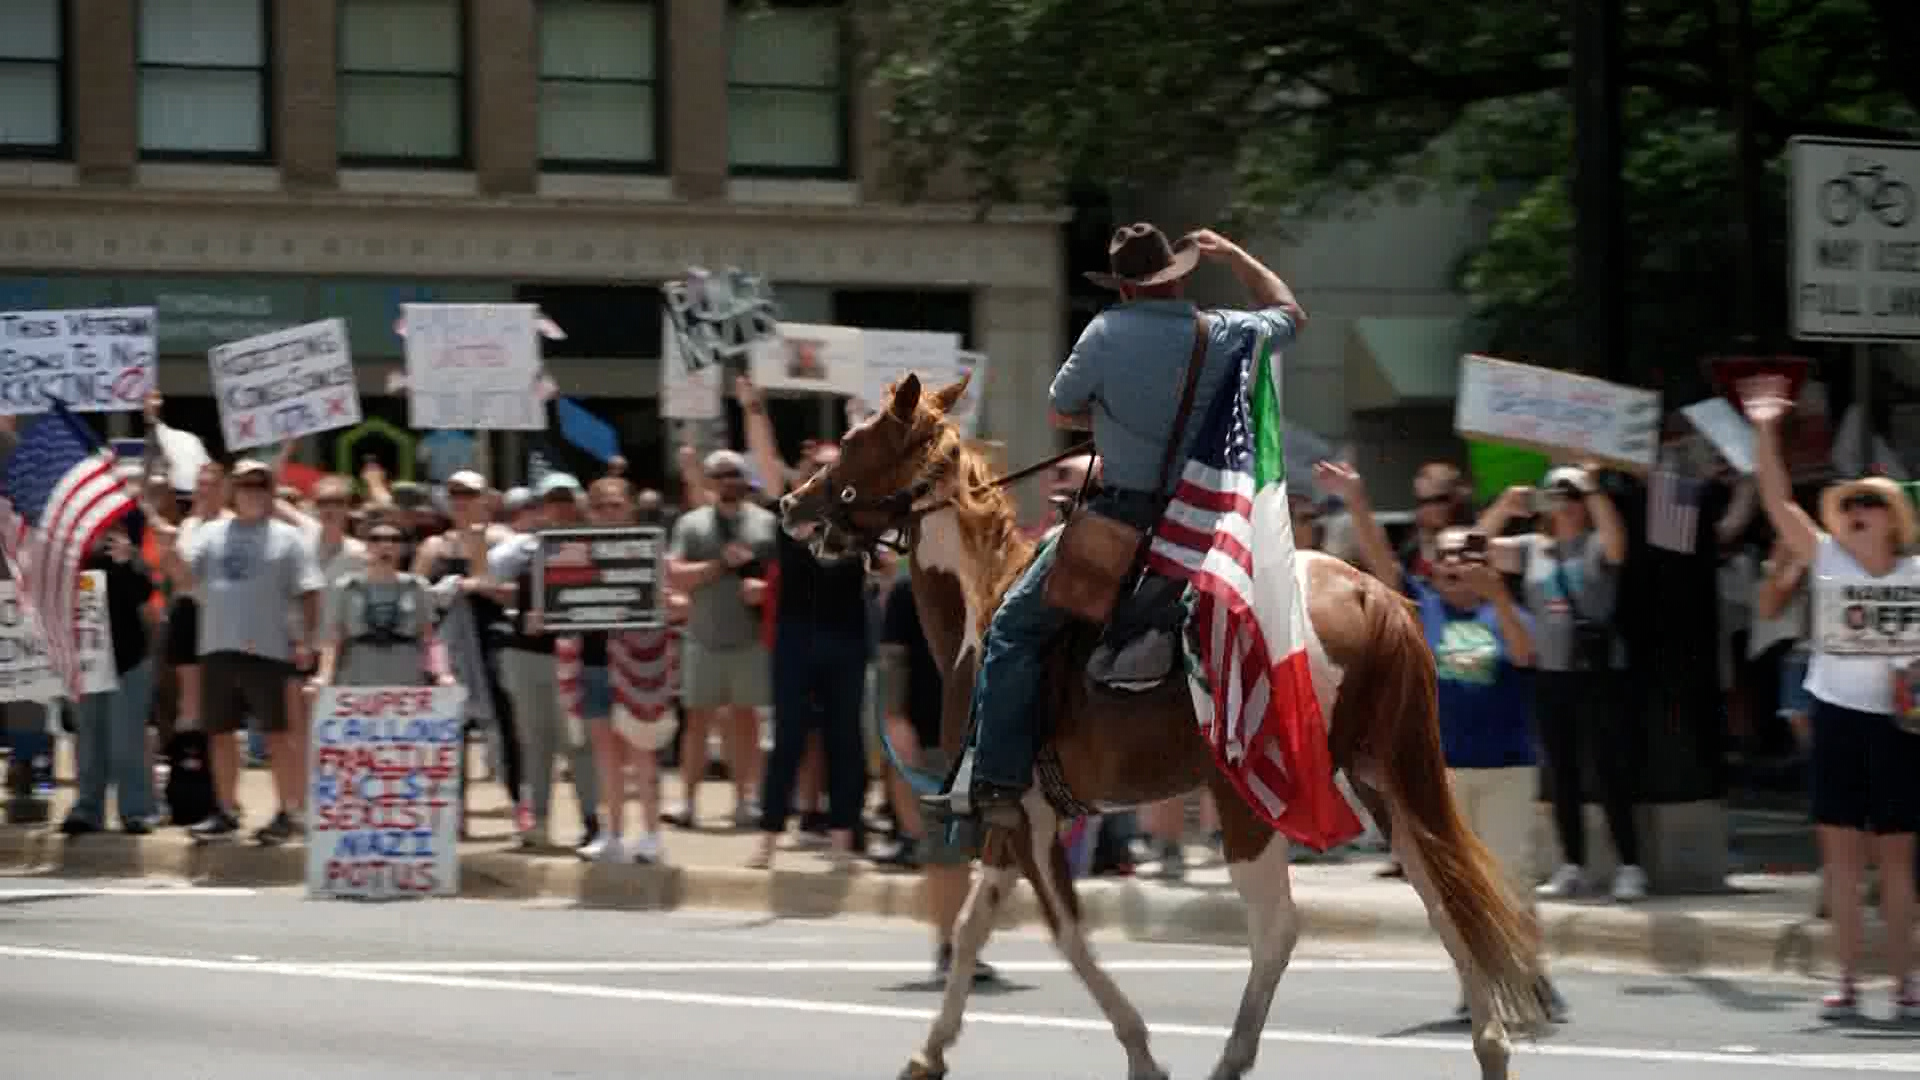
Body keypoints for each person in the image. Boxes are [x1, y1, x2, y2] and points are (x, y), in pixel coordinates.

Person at [921, 223, 1305, 817]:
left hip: (1122, 522)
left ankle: (995, 782)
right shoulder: (1224, 330)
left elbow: (1059, 410)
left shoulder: (1103, 332)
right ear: (1176, 281)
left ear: (1123, 288)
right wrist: (1232, 256)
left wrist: (1113, 417)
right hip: (1207, 521)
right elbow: (1289, 312)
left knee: (1011, 632)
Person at [1322, 460, 1567, 1022]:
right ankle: (1476, 985)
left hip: (1506, 770)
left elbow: (1525, 655)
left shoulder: (1508, 612)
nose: (1454, 562)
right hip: (1444, 774)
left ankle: (1531, 973)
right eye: (1447, 556)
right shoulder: (1420, 609)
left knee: (1508, 882)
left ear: (1483, 564)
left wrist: (1498, 598)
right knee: (1458, 889)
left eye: (1466, 554)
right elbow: (1381, 562)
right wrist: (1358, 497)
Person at [1743, 375, 1920, 1020]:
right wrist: (1764, 427)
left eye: (1866, 505)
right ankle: (1847, 978)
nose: (1852, 513)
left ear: (1891, 519)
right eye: (1847, 506)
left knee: (1896, 865)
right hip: (1838, 717)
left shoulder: (1917, 574)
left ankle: (1905, 982)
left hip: (1902, 725)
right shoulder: (1826, 559)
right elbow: (1776, 498)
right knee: (1840, 862)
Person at [1480, 464, 1640, 902]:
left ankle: (1629, 864)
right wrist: (1503, 508)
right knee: (1561, 773)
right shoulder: (1533, 548)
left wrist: (1591, 488)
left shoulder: (1594, 544)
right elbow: (1472, 549)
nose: (1565, 504)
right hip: (1550, 674)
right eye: (1556, 495)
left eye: (1572, 496)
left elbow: (1618, 545)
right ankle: (1573, 864)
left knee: (1608, 770)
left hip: (1597, 673)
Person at [735, 376, 871, 869]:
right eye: (814, 468)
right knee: (788, 737)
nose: (821, 475)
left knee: (844, 739)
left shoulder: (860, 517)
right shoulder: (789, 510)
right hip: (795, 639)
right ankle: (769, 839)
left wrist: (861, 425)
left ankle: (841, 842)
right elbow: (767, 462)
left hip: (847, 638)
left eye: (831, 468)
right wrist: (754, 410)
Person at [178, 458, 325, 845]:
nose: (253, 493)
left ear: (271, 491)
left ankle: (287, 811)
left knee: (279, 735)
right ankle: (226, 810)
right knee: (220, 733)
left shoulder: (289, 537)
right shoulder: (210, 533)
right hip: (217, 646)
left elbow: (310, 592)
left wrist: (307, 641)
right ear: (233, 490)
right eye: (245, 485)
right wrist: (169, 553)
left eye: (260, 485)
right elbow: (186, 579)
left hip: (270, 649)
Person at [664, 449, 776, 828]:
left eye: (734, 472)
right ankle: (688, 802)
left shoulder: (767, 523)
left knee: (747, 722)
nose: (728, 479)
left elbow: (783, 577)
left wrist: (766, 588)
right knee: (697, 723)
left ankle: (747, 800)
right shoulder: (691, 524)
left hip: (751, 640)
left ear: (745, 478)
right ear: (710, 482)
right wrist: (720, 565)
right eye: (720, 474)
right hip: (702, 638)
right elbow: (676, 574)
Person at [61, 523, 158, 836]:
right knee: (89, 739)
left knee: (127, 741)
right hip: (85, 662)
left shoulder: (125, 550)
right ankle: (88, 808)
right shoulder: (67, 553)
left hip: (128, 660)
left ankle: (136, 811)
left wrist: (127, 561)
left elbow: (144, 592)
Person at [310, 521, 447, 689]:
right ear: (366, 546)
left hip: (405, 674)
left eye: (394, 540)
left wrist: (442, 673)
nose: (385, 545)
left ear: (403, 547)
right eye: (376, 539)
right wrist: (324, 676)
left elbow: (429, 637)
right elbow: (333, 638)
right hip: (358, 673)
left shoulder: (417, 586)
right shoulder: (347, 587)